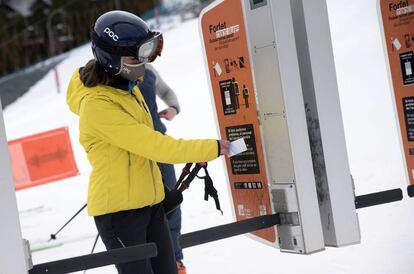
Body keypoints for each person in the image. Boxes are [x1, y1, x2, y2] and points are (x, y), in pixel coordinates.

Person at [66, 10, 229, 274]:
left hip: (150, 206)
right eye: (136, 56)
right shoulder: (98, 106)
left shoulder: (128, 86)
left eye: (146, 54)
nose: (143, 62)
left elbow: (140, 156)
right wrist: (211, 147)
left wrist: (159, 192)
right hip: (119, 214)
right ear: (112, 58)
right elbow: (152, 145)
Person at [137, 64, 186, 273]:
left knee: (171, 204)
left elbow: (165, 91)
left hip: (160, 146)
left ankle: (175, 260)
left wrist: (173, 108)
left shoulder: (148, 69)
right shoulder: (112, 71)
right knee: (142, 210)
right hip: (134, 150)